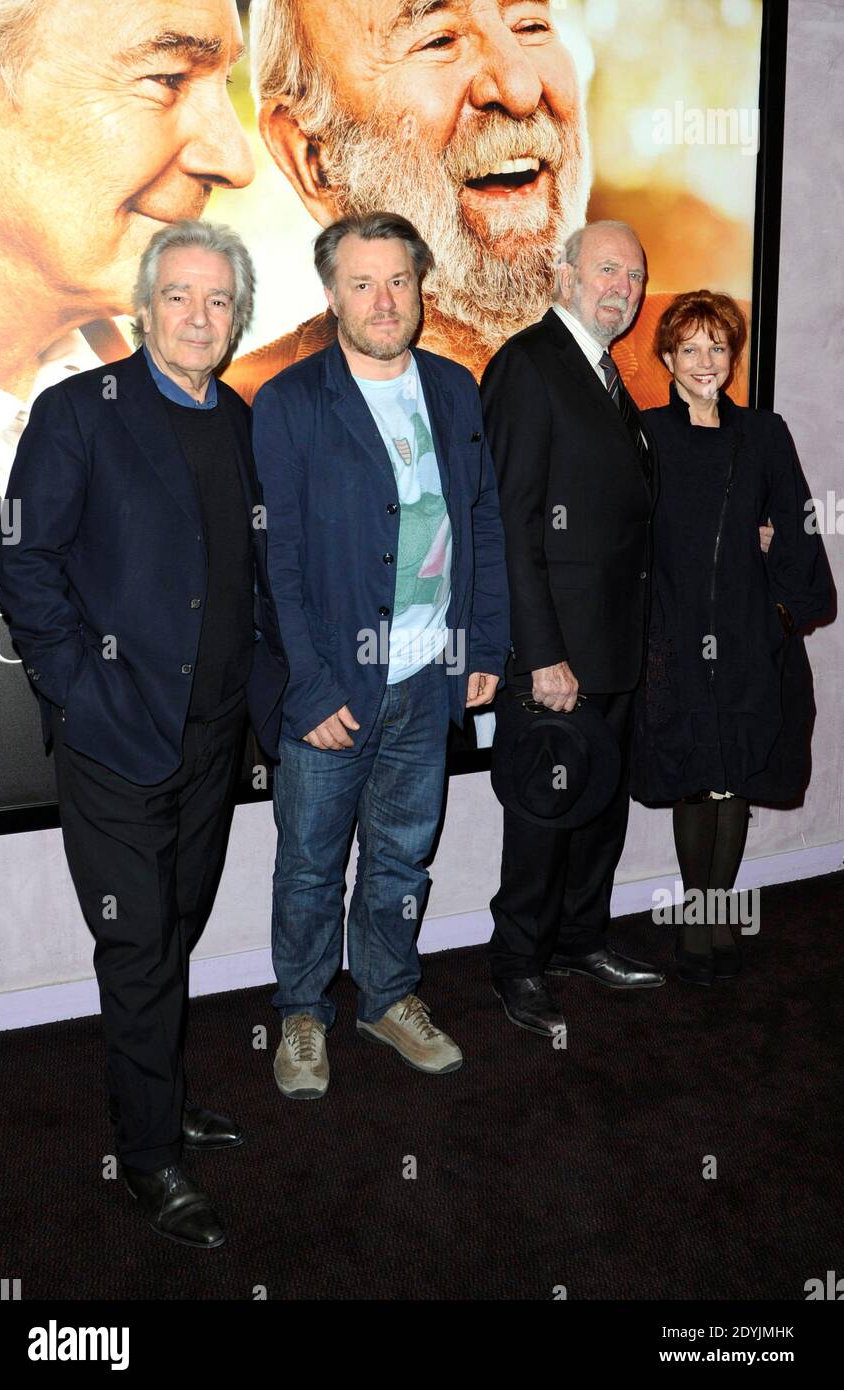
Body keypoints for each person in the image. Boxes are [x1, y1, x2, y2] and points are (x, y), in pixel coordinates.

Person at [0, 220, 287, 1248]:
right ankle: (151, 1156)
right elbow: (25, 561)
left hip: (210, 744)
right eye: (179, 297)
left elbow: (249, 588)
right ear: (143, 307)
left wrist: (264, 706)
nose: (200, 318)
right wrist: (77, 688)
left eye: (218, 301)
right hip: (114, 739)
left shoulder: (244, 423)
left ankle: (158, 1102)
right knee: (137, 948)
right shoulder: (81, 412)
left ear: (236, 314)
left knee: (173, 932)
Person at [252, 211, 509, 1098]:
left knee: (404, 857)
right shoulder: (288, 403)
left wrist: (483, 643)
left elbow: (481, 520)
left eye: (398, 280)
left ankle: (389, 996)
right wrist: (309, 688)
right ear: (331, 295)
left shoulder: (454, 388)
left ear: (421, 286)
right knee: (311, 864)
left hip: (426, 681)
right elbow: (275, 560)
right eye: (361, 283)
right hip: (331, 691)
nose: (383, 300)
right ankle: (299, 1015)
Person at [0, 0, 255, 812]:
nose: (234, 159)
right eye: (167, 78)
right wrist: (84, 699)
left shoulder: (209, 399)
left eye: (225, 84)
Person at [224, 0, 732, 406]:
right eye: (438, 40)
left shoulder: (729, 363)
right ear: (314, 161)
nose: (520, 86)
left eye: (530, 25)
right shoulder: (245, 419)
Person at [480, 220, 664, 1039]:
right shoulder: (528, 366)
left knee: (601, 812)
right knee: (545, 816)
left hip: (616, 651)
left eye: (634, 276)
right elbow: (510, 526)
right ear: (563, 277)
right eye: (606, 270)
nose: (620, 288)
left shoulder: (609, 378)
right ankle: (517, 964)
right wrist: (542, 653)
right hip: (559, 659)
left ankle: (582, 939)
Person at [631, 290, 832, 985]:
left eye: (718, 346)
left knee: (733, 780)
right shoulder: (646, 435)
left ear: (733, 357)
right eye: (690, 347)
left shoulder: (765, 434)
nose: (705, 361)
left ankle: (720, 914)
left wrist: (779, 573)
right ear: (667, 358)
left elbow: (799, 524)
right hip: (675, 632)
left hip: (747, 634)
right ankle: (695, 920)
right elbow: (625, 533)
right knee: (695, 777)